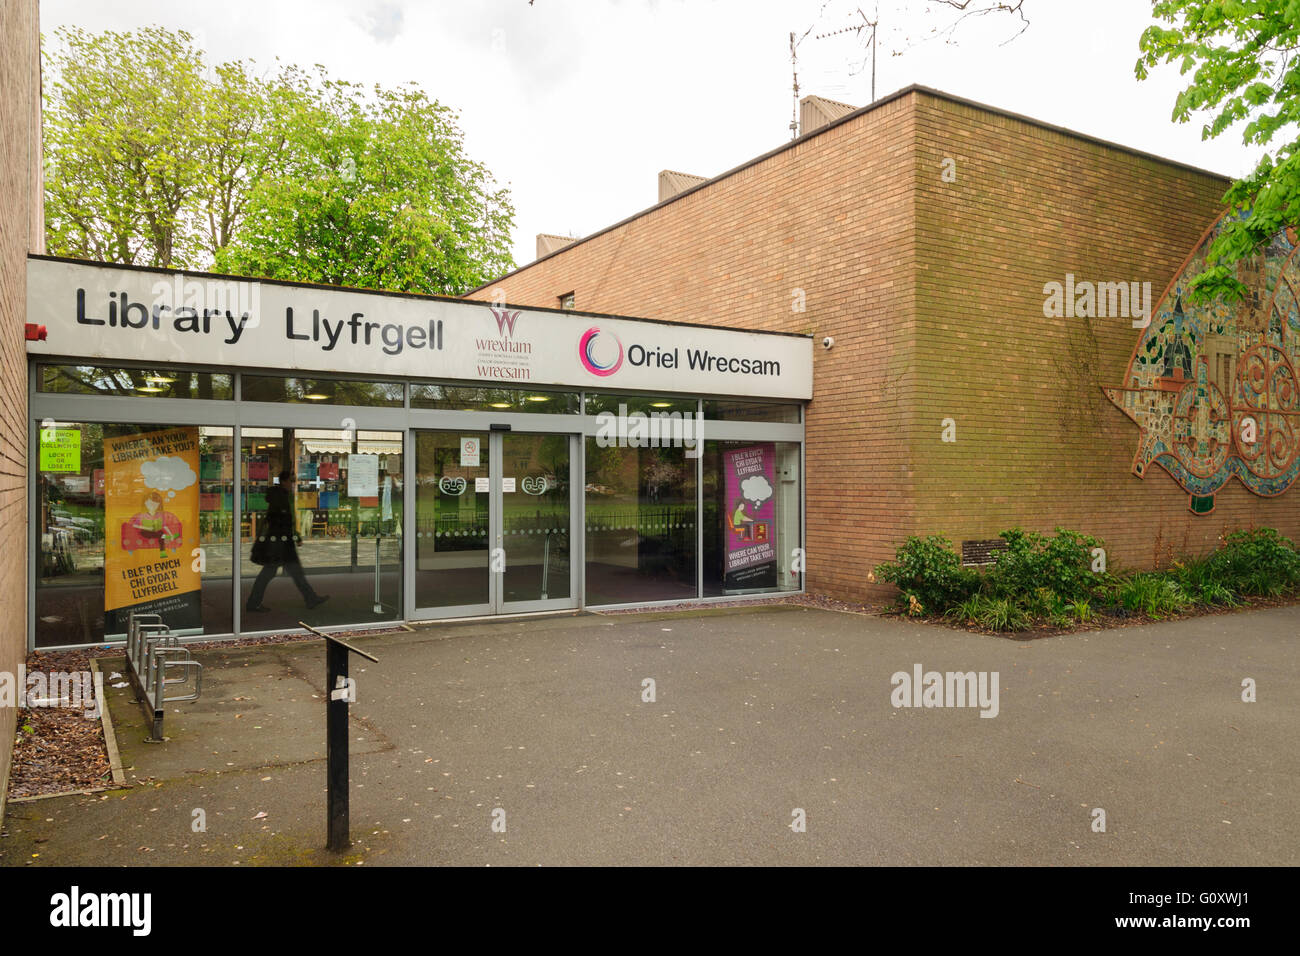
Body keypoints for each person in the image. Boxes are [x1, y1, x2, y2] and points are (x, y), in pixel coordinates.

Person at [246, 469, 328, 613]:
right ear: (284, 481)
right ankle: (253, 603)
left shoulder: (282, 496)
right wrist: (293, 537)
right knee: (274, 573)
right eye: (291, 481)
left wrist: (295, 536)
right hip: (280, 543)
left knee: (288, 572)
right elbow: (282, 521)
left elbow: (285, 520)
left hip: (281, 541)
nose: (293, 483)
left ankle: (310, 598)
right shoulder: (280, 497)